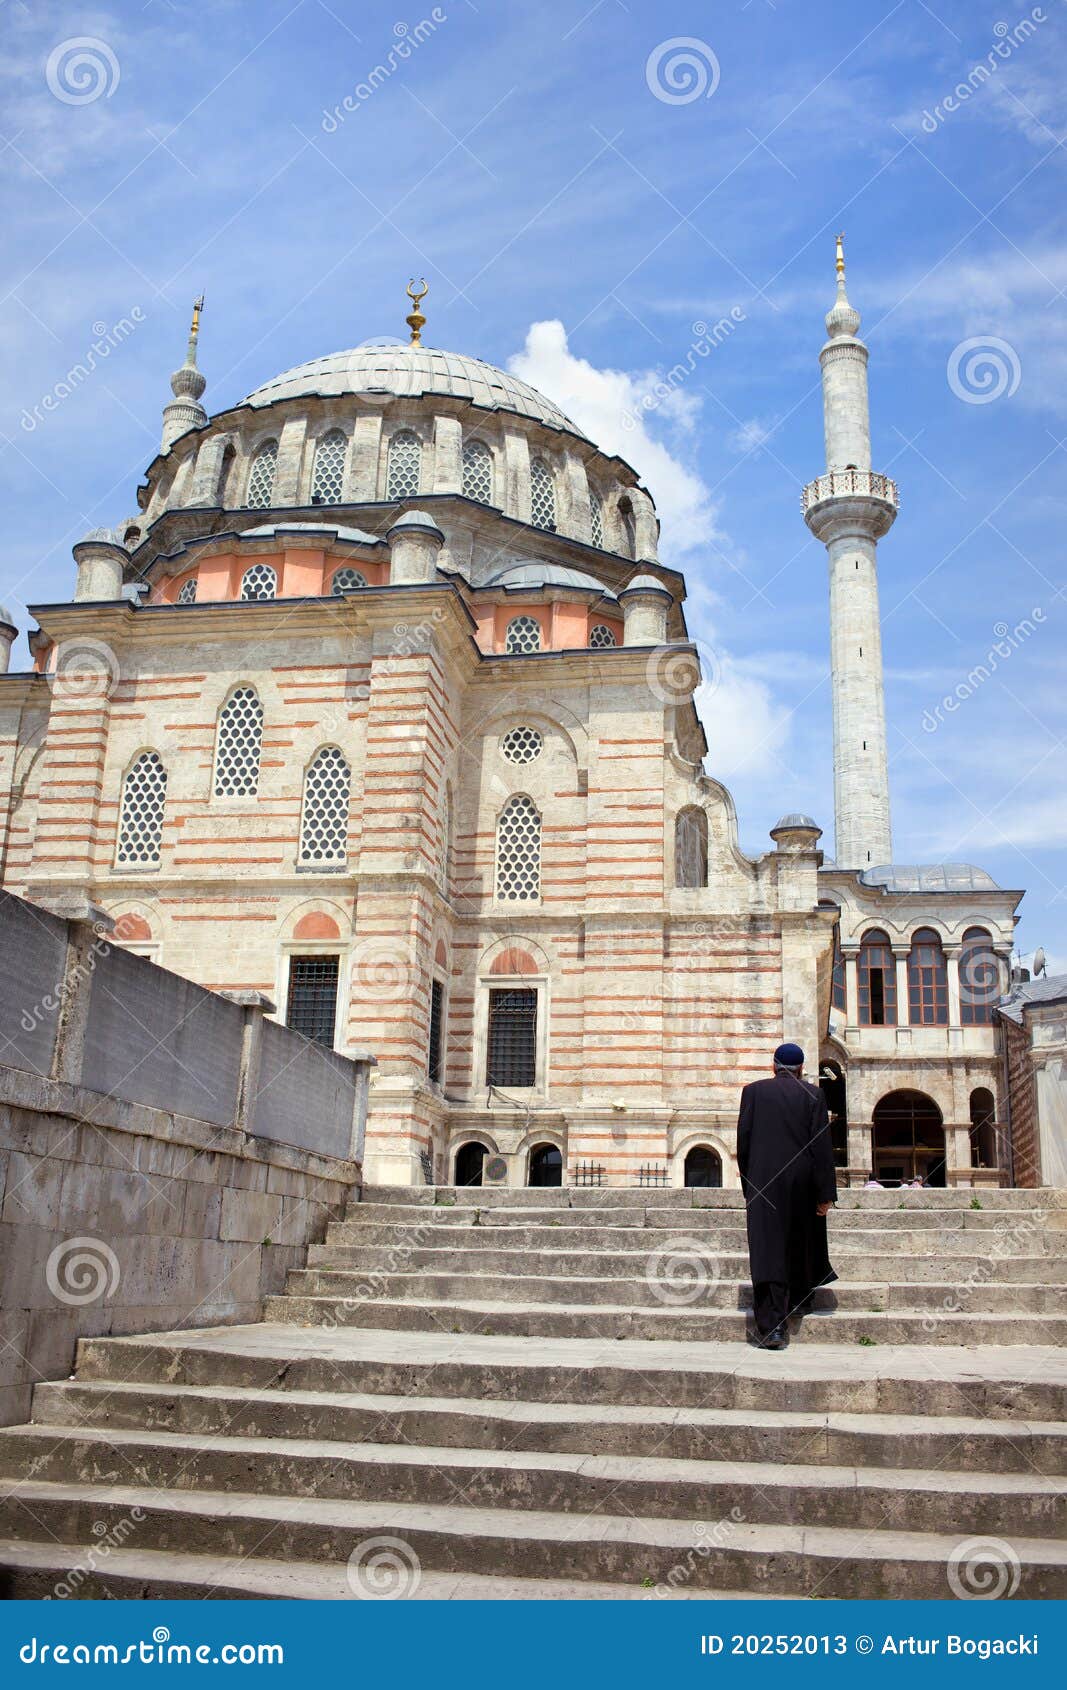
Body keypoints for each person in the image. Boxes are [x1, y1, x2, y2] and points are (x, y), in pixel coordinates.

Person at [736, 1042, 838, 1350]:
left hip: (763, 1183)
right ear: (801, 1069)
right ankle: (798, 1301)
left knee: (768, 1250)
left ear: (773, 1066)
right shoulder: (813, 1094)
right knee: (798, 1241)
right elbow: (821, 1147)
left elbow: (744, 1143)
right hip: (801, 1182)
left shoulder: (752, 1092)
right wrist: (825, 1194)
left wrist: (749, 1185)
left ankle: (773, 1328)